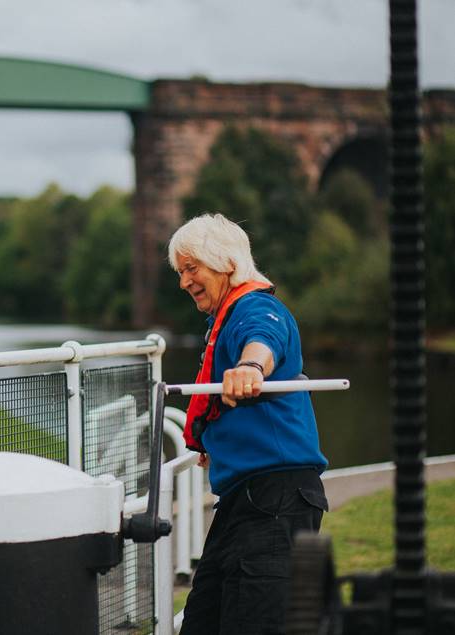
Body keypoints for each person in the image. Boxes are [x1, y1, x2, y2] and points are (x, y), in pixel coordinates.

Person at [170, 213, 329, 635]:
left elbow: (263, 339)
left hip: (278, 502)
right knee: (202, 621)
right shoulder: (226, 317)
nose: (184, 282)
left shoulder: (255, 308)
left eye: (191, 269)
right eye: (180, 272)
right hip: (244, 504)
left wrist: (249, 367)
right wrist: (216, 442)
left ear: (224, 262)